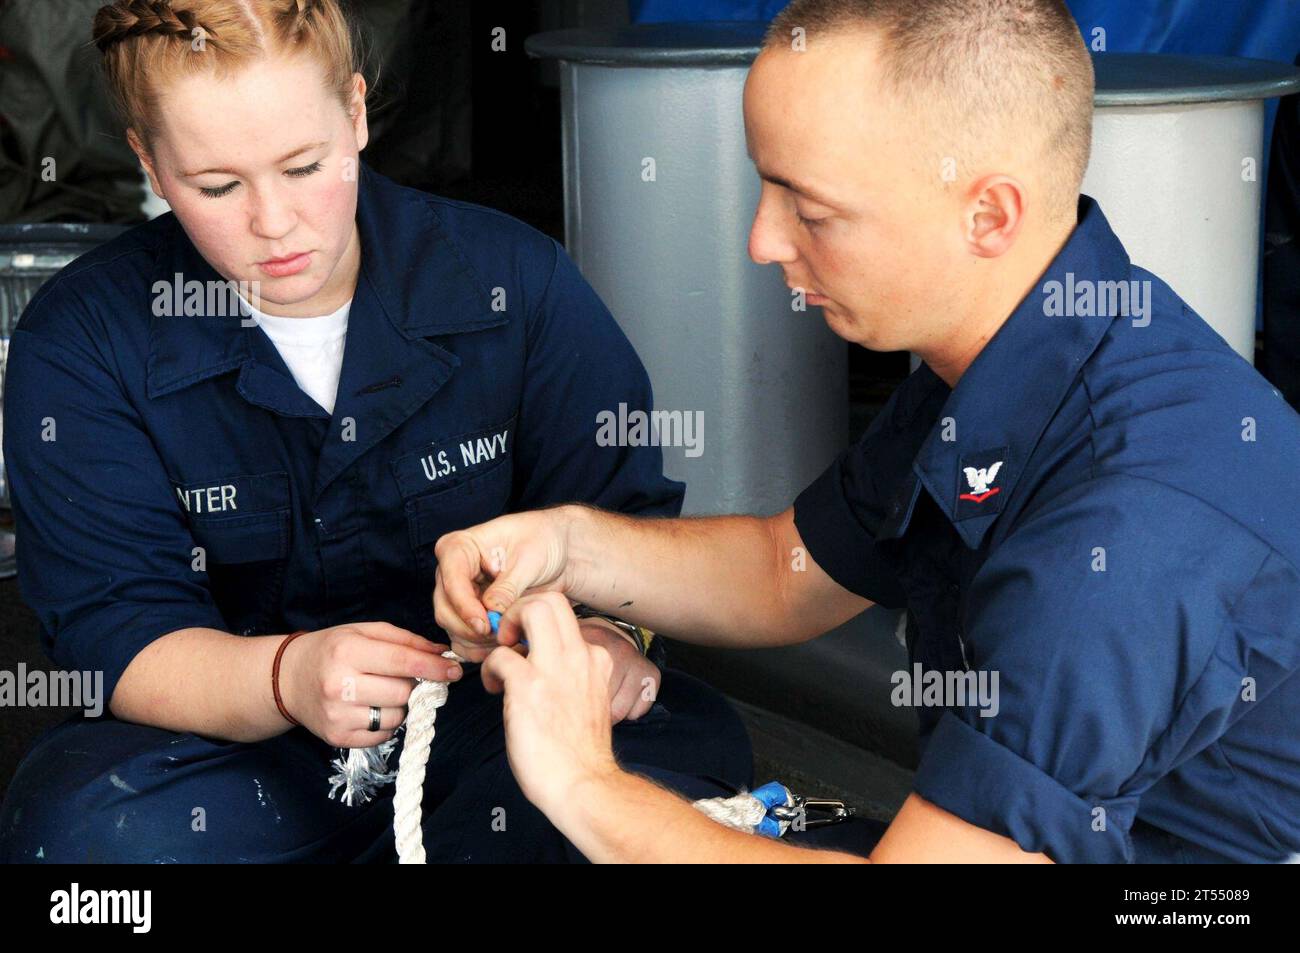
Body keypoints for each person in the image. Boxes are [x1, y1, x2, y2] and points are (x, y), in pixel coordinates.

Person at [434, 0, 1300, 863]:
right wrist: (565, 544)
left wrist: (582, 780)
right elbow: (787, 570)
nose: (762, 241)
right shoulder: (1018, 346)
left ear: (989, 216)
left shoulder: (1126, 526)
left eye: (812, 211)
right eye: (765, 186)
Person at [0, 0, 752, 863]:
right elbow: (118, 635)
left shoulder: (514, 281)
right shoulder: (83, 341)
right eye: (216, 186)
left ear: (356, 113)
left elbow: (631, 532)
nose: (273, 222)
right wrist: (286, 676)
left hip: (495, 719)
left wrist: (605, 642)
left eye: (305, 165)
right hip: (235, 742)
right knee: (82, 839)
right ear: (147, 161)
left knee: (663, 773)